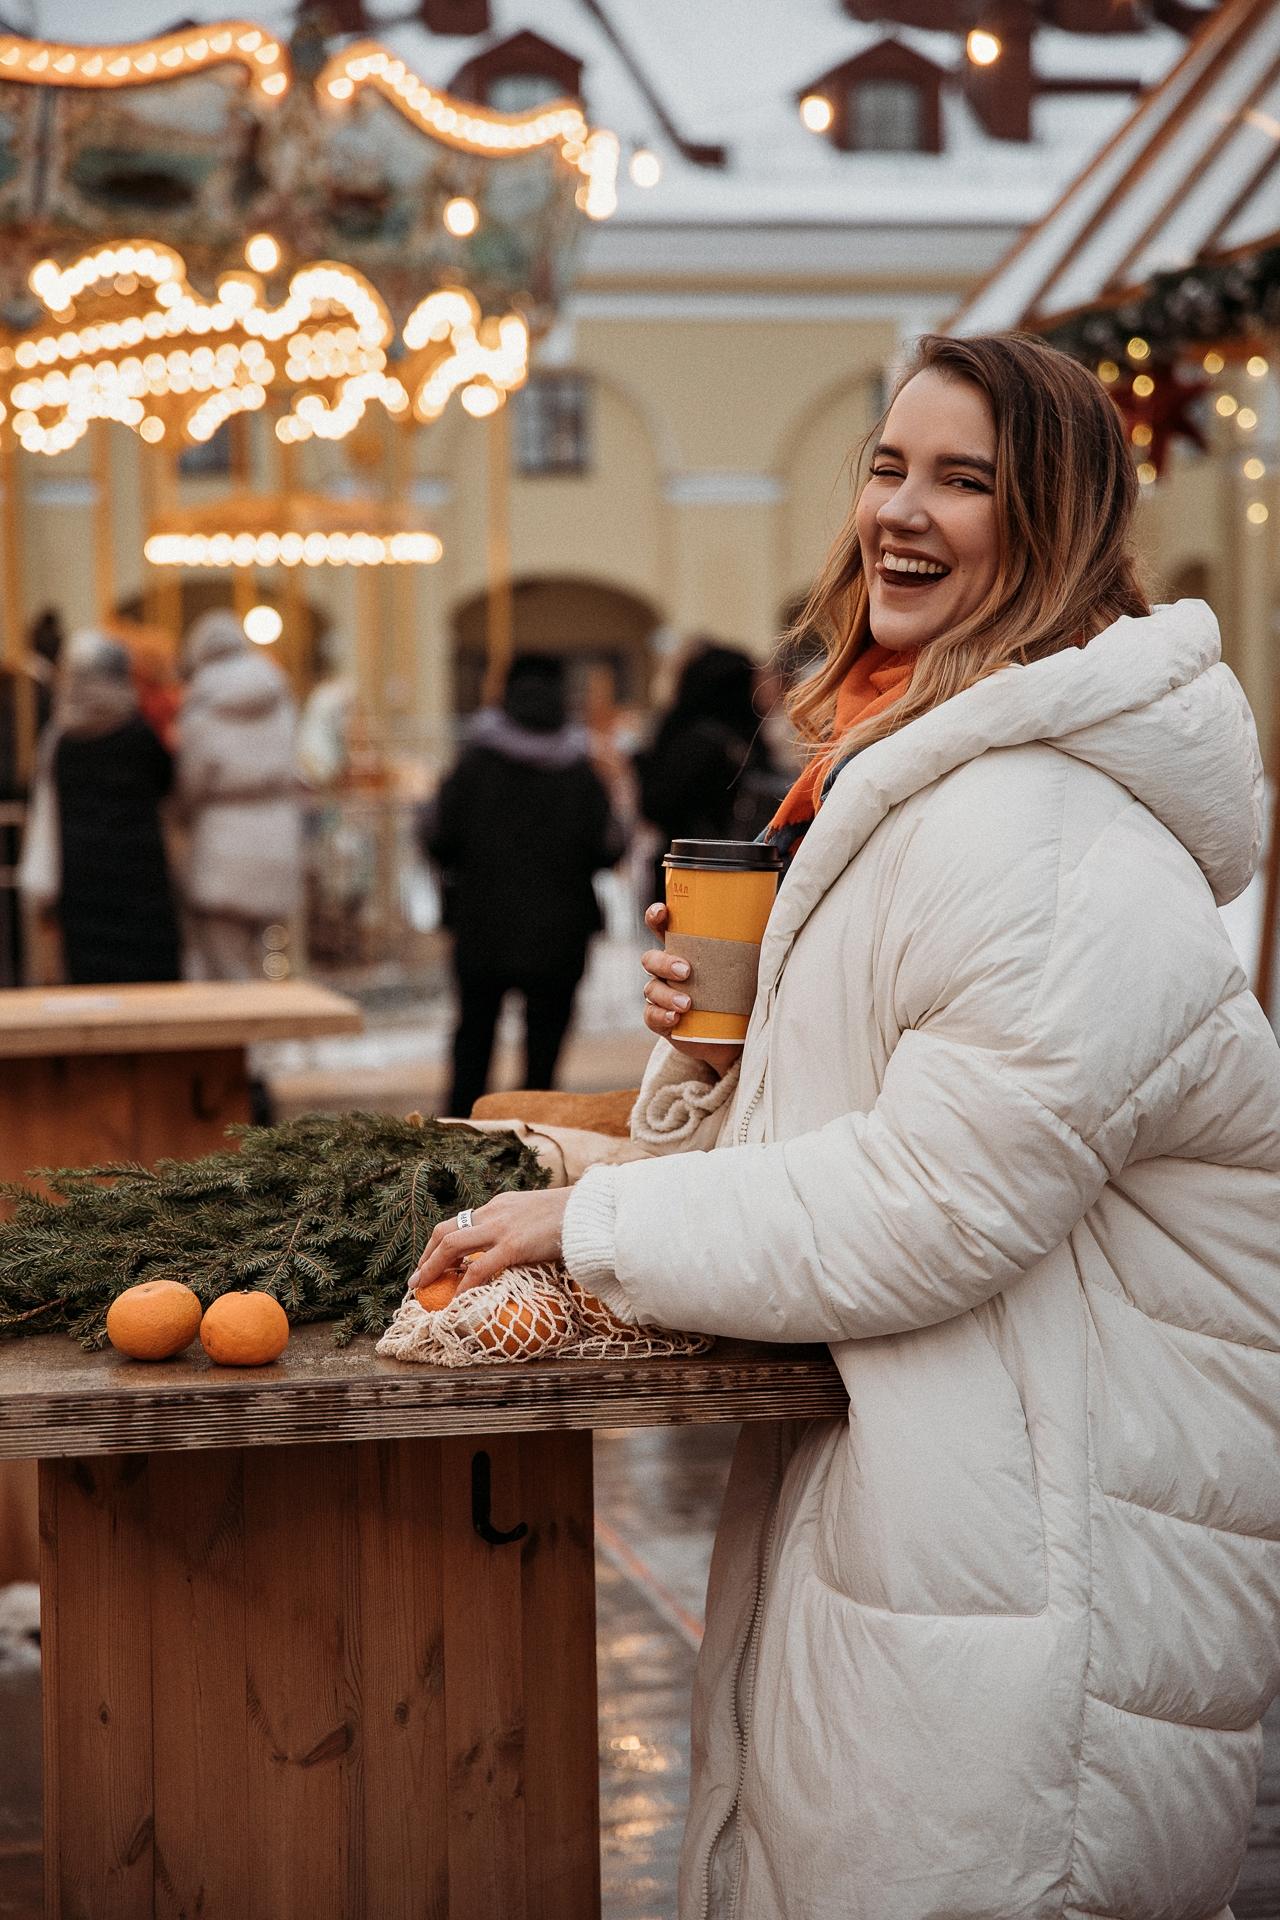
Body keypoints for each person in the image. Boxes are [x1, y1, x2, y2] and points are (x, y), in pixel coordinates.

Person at [412, 333, 1280, 1918]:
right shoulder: (928, 779)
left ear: (1064, 532)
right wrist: (718, 1058)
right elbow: (890, 1129)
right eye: (890, 466)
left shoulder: (1048, 828)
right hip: (962, 1525)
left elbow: (930, 1205)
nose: (905, 509)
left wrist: (593, 1224)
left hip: (1043, 1569)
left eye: (967, 482)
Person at [425, 654, 622, 1117]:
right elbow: (609, 849)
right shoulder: (579, 767)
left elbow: (438, 837)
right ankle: (532, 1134)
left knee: (475, 1033)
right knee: (545, 1045)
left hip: (482, 922)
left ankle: (462, 1130)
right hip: (561, 928)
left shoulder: (475, 762)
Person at [20, 629, 180, 984]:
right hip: (140, 877)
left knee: (93, 982)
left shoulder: (63, 741)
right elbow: (167, 783)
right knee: (148, 984)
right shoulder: (138, 734)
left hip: (82, 877)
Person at [176, 608, 301, 981]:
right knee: (264, 957)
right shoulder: (277, 693)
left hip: (222, 841)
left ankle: (244, 1037)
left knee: (224, 962)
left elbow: (192, 781)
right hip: (276, 837)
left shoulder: (201, 703)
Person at [636, 639, 787, 902]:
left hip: (691, 874)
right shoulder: (727, 741)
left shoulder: (691, 736)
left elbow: (655, 805)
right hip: (731, 874)